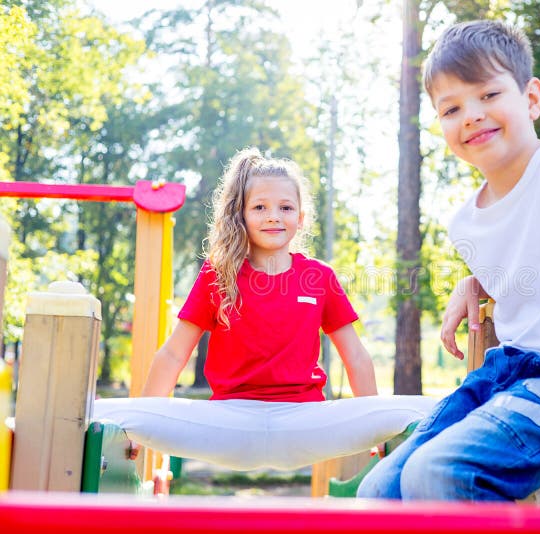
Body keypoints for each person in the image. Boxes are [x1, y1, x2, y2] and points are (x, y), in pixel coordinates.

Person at [357, 0, 540, 501]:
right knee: (379, 491)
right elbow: (536, 252)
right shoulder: (467, 221)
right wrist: (476, 280)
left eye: (488, 93)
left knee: (442, 472)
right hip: (512, 374)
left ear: (531, 98)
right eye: (452, 108)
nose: (473, 115)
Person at [94, 148, 435, 471]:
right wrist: (143, 420)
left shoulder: (319, 276)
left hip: (305, 421)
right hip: (229, 422)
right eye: (259, 207)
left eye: (285, 208)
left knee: (427, 409)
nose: (273, 216)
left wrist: (370, 424)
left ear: (300, 218)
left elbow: (357, 357)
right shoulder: (218, 274)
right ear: (241, 215)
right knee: (97, 413)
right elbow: (173, 354)